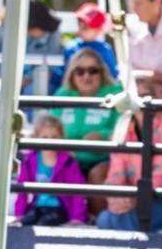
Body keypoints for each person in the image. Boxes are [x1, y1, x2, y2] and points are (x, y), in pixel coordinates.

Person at [98, 77, 162, 232]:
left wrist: (134, 197)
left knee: (121, 221)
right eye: (136, 96)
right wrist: (118, 197)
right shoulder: (123, 127)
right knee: (105, 219)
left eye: (146, 96)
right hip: (131, 201)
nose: (140, 102)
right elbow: (115, 173)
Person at [50, 48, 125, 215]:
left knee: (97, 174)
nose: (86, 76)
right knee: (62, 168)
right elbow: (49, 129)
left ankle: (99, 226)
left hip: (105, 158)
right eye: (80, 71)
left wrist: (103, 136)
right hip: (69, 157)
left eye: (93, 71)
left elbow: (124, 127)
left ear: (102, 72)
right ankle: (66, 219)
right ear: (72, 74)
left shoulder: (116, 95)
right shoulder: (62, 96)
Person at [13, 115, 88, 226]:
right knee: (25, 222)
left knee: (44, 224)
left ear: (61, 138)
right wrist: (19, 214)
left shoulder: (68, 162)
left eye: (54, 137)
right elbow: (22, 189)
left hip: (59, 209)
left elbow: (78, 191)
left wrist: (77, 217)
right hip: (38, 207)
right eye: (44, 137)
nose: (49, 141)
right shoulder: (30, 160)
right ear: (36, 138)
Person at [0, 0, 62, 94]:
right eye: (41, 29)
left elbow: (51, 65)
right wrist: (11, 82)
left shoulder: (50, 26)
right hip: (3, 78)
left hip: (36, 79)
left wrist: (27, 79)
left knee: (32, 91)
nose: (45, 33)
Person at [50, 3, 119, 92]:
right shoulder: (71, 47)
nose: (80, 29)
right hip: (73, 91)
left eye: (85, 27)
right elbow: (63, 74)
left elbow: (111, 76)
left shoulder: (105, 50)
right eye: (80, 25)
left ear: (98, 30)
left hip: (99, 92)